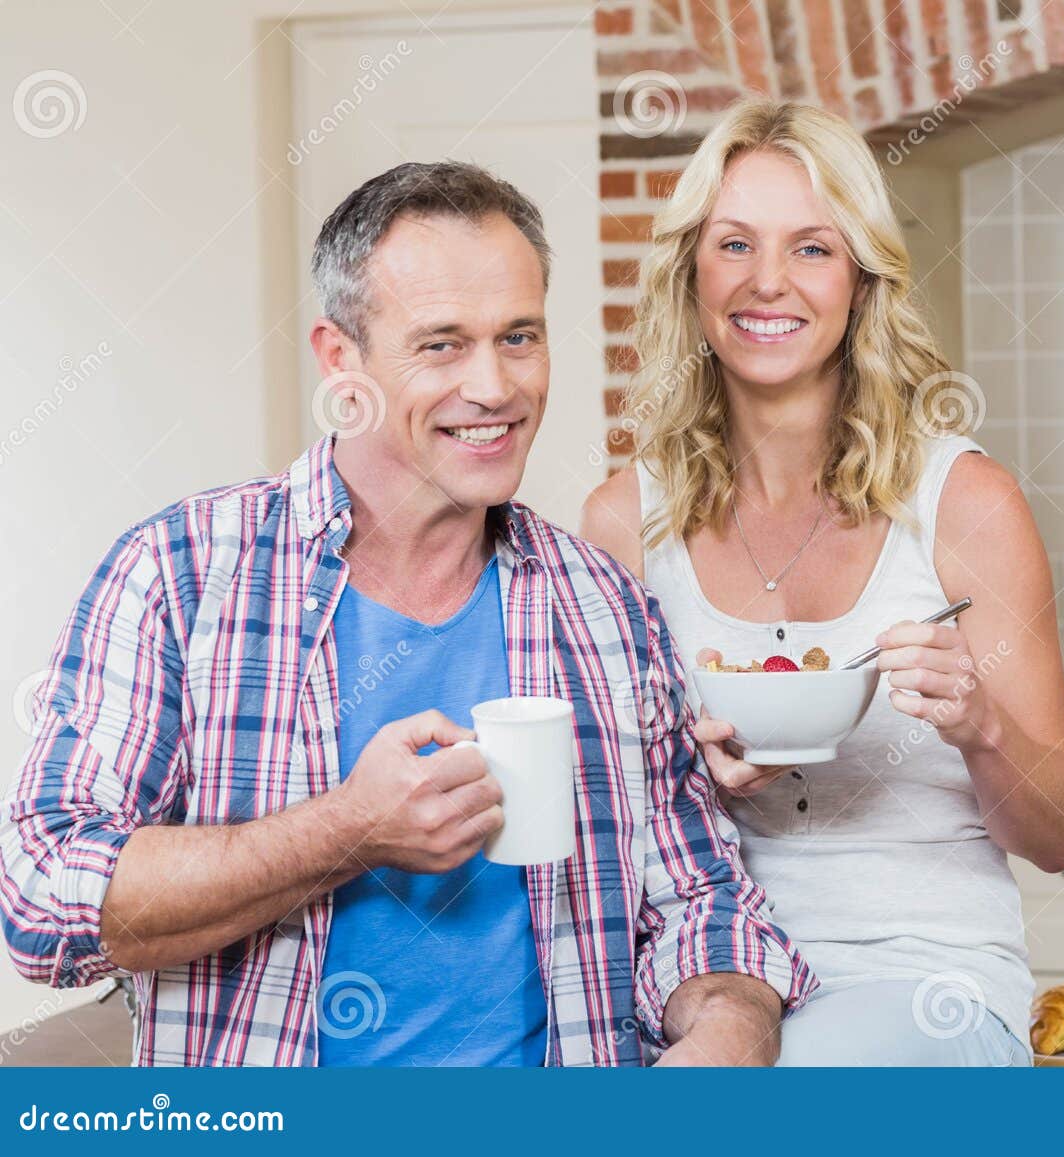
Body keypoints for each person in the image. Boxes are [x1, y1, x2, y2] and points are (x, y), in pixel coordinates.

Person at [0, 161, 812, 1067]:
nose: (495, 386)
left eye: (519, 337)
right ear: (341, 361)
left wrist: (732, 1031)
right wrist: (348, 829)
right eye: (441, 344)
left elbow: (702, 895)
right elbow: (46, 903)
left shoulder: (603, 604)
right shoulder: (182, 575)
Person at [581, 99, 1064, 1066]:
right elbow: (605, 827)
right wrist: (687, 780)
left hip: (924, 974)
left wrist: (979, 723)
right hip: (707, 972)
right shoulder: (622, 521)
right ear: (692, 275)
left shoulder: (964, 502)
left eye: (812, 248)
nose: (767, 282)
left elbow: (1059, 834)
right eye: (734, 243)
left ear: (860, 281)